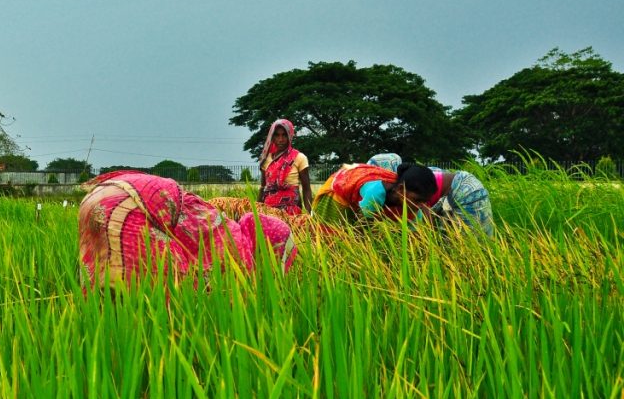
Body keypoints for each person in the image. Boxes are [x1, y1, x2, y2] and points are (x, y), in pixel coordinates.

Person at [79, 170, 297, 288]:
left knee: (107, 290)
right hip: (132, 205)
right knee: (163, 295)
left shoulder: (220, 220)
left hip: (102, 196)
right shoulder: (239, 249)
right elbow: (205, 286)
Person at [367, 153, 494, 235]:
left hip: (466, 191)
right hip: (447, 198)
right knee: (449, 248)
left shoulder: (410, 186)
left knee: (471, 250)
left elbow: (425, 226)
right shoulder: (398, 187)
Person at [311, 162, 437, 225]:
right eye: (417, 200)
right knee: (330, 235)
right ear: (400, 190)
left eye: (424, 201)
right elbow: (363, 229)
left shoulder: (415, 206)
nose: (421, 206)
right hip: (339, 192)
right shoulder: (375, 193)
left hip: (360, 201)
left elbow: (413, 233)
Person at [257, 119, 312, 215]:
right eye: (277, 135)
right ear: (272, 137)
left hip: (292, 213)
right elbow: (263, 187)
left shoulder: (299, 158)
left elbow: (306, 188)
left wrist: (308, 215)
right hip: (268, 212)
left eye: (284, 135)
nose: (280, 139)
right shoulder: (266, 159)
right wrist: (257, 212)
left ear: (290, 136)